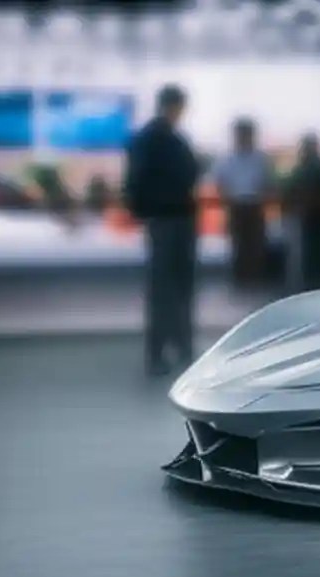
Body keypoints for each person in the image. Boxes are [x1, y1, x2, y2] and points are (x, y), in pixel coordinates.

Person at [124, 84, 200, 377]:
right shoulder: (168, 140)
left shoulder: (148, 139)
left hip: (163, 218)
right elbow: (188, 173)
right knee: (175, 288)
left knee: (165, 288)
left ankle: (166, 348)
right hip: (174, 218)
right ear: (174, 106)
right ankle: (175, 347)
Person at [213, 118, 275, 288]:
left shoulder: (261, 158)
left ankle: (256, 279)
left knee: (256, 244)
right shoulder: (227, 159)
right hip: (236, 206)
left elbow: (268, 182)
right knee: (238, 244)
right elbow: (219, 182)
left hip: (255, 205)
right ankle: (239, 280)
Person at [283, 134, 320, 290]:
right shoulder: (316, 169)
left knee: (312, 252)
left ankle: (311, 283)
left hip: (315, 216)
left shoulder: (305, 170)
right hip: (312, 217)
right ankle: (314, 282)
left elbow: (290, 192)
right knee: (314, 252)